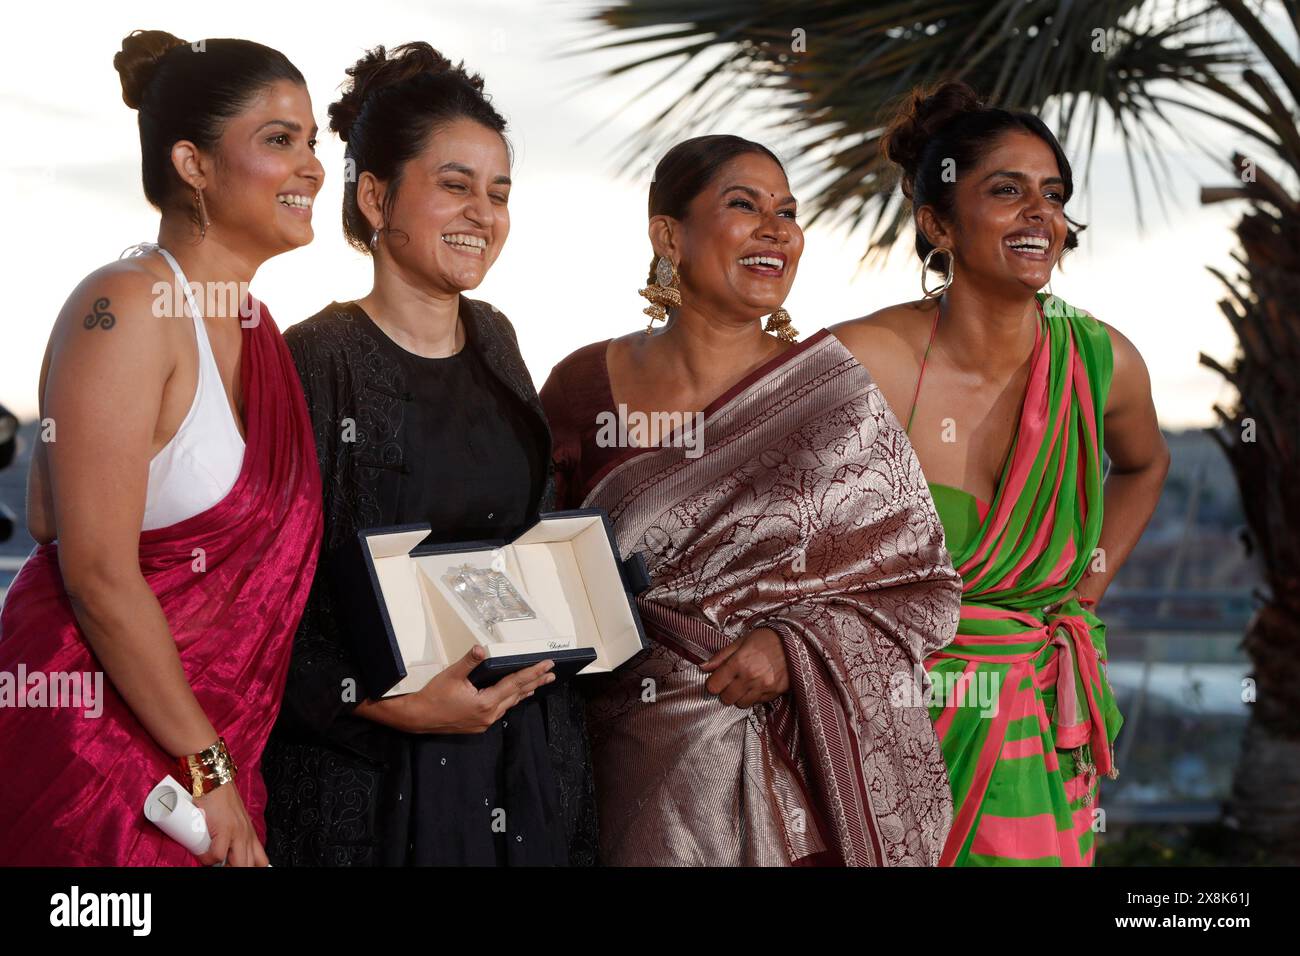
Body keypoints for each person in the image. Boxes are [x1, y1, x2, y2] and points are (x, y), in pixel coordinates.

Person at [540, 134, 962, 866]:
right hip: (622, 759)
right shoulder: (581, 386)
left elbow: (922, 588)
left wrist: (791, 647)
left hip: (792, 778)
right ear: (669, 235)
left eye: (788, 212)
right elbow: (540, 575)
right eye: (745, 205)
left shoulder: (836, 400)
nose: (777, 229)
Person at [262, 43, 596, 867]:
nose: (483, 213)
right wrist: (383, 705)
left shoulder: (498, 340)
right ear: (375, 197)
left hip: (516, 766)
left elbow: (515, 538)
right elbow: (263, 593)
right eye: (454, 186)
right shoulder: (310, 360)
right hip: (363, 783)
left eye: (500, 193)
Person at [0, 30, 324, 866]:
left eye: (315, 142)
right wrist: (210, 772)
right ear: (193, 163)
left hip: (205, 755)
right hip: (98, 759)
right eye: (280, 140)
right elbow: (96, 569)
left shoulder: (257, 332)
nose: (315, 168)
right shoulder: (127, 305)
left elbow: (44, 506)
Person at [832, 81, 1170, 866]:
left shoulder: (1103, 362)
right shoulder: (862, 362)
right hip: (894, 727)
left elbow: (1146, 465)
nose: (1041, 214)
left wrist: (1085, 588)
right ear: (937, 224)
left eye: (1052, 195)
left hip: (1041, 728)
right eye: (1006, 191)